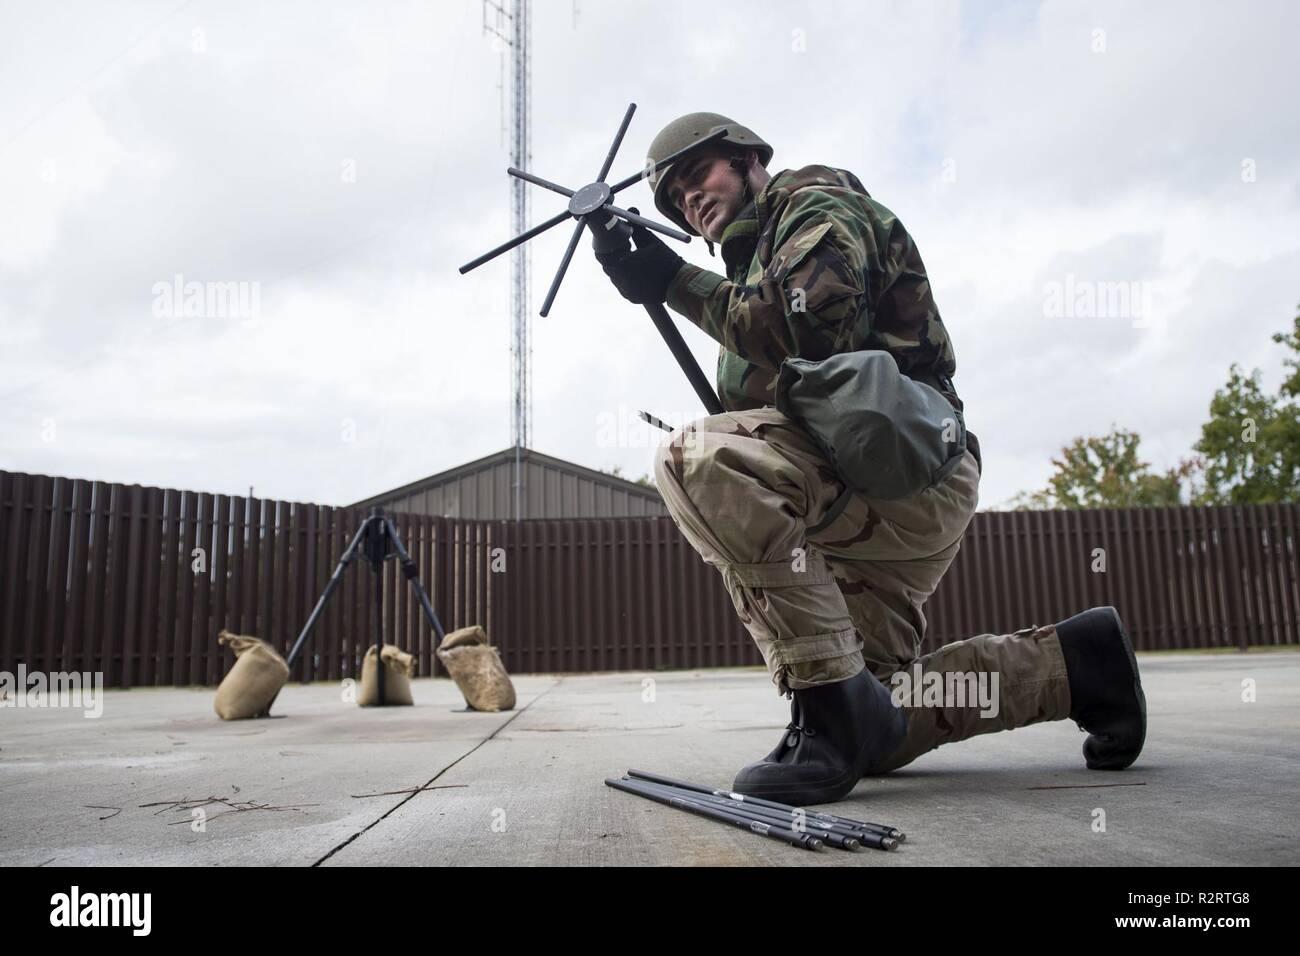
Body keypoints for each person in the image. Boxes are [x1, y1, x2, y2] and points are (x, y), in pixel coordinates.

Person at [594, 112, 1146, 806]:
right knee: (882, 715)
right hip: (861, 502)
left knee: (696, 458)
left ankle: (827, 713)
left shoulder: (815, 204)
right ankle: (1079, 665)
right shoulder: (750, 277)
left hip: (906, 472)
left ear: (744, 157)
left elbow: (810, 331)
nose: (688, 199)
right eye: (672, 198)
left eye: (696, 174)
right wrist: (674, 282)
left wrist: (673, 279)